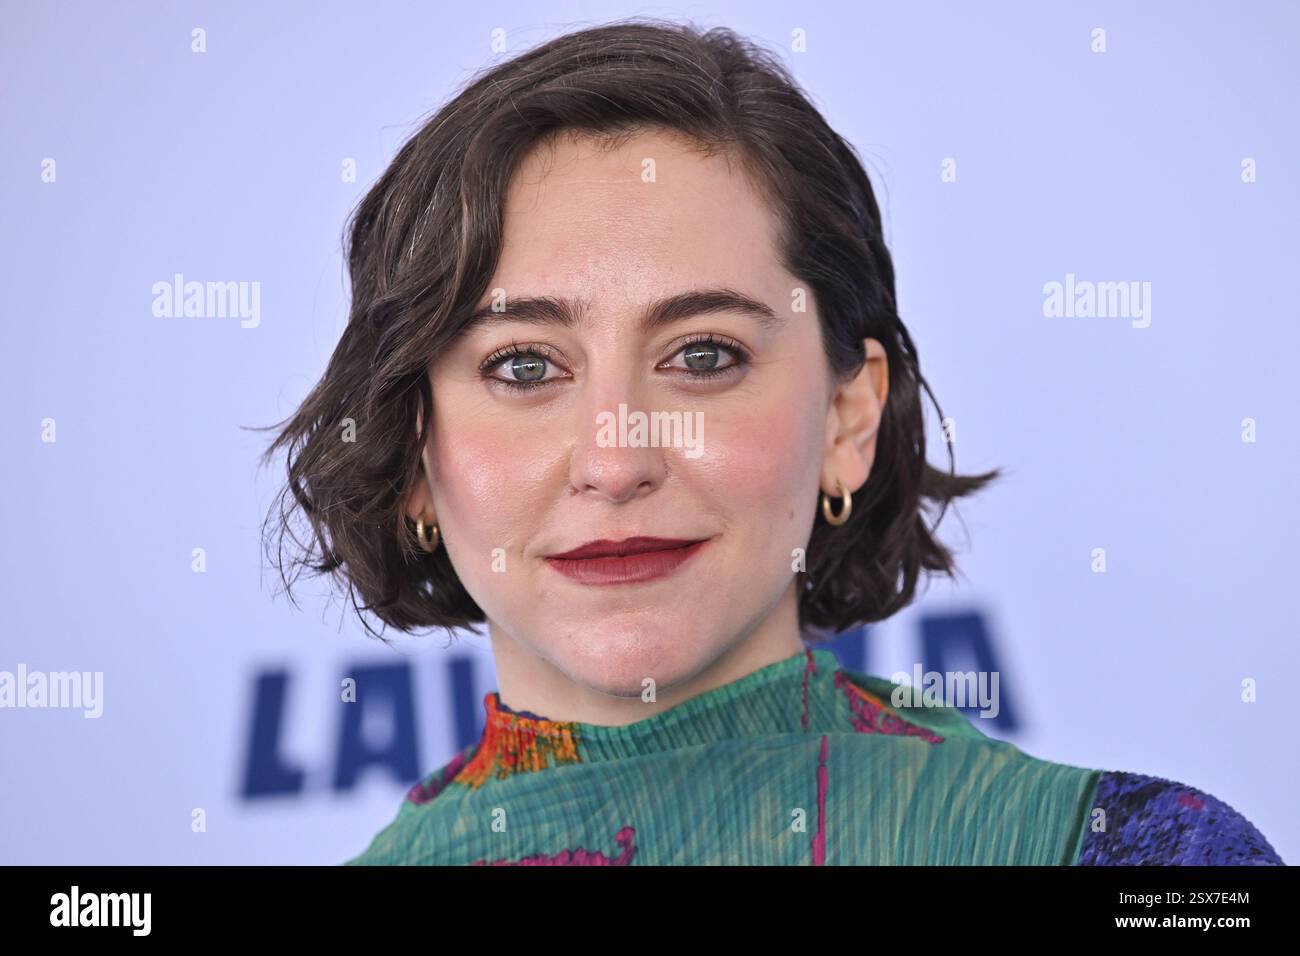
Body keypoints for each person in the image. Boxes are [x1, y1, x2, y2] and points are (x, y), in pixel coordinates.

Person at [260, 20, 1283, 865]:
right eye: (525, 366)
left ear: (848, 419)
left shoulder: (1141, 860)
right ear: (409, 454)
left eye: (702, 355)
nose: (616, 461)